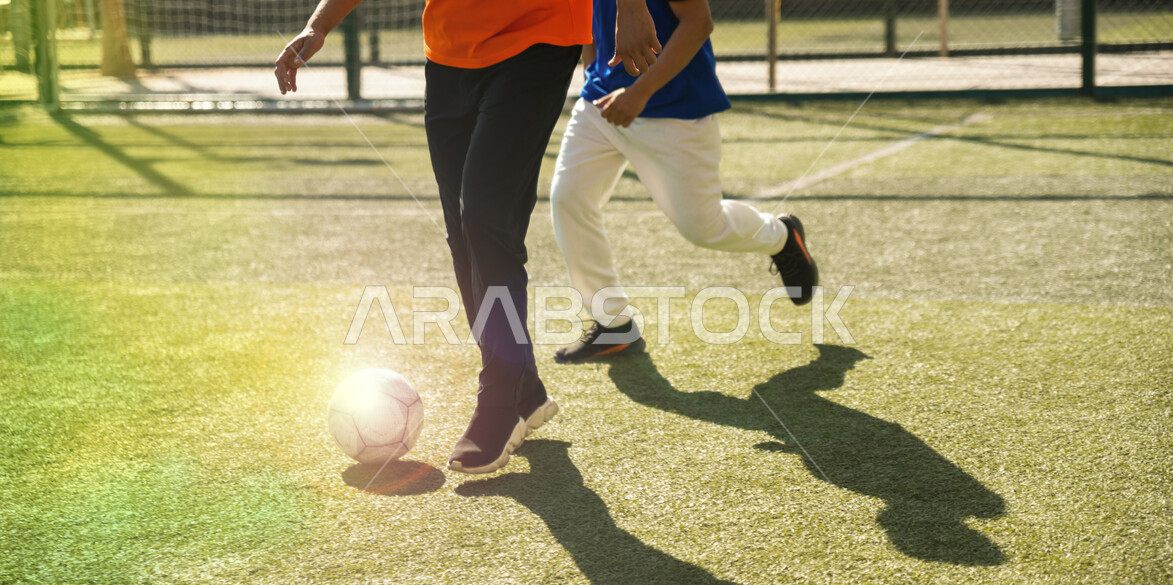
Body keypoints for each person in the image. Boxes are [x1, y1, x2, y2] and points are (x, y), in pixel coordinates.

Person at [275, 0, 661, 474]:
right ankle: (525, 388)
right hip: (449, 52)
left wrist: (631, 7)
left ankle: (500, 398)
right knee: (463, 234)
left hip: (539, 36)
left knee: (485, 219)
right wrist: (319, 26)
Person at [549, 0, 819, 363]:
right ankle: (612, 323)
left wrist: (639, 93)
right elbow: (586, 18)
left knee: (703, 227)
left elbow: (698, 22)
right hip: (600, 105)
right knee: (569, 199)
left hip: (676, 110)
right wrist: (593, 72)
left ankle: (782, 237)